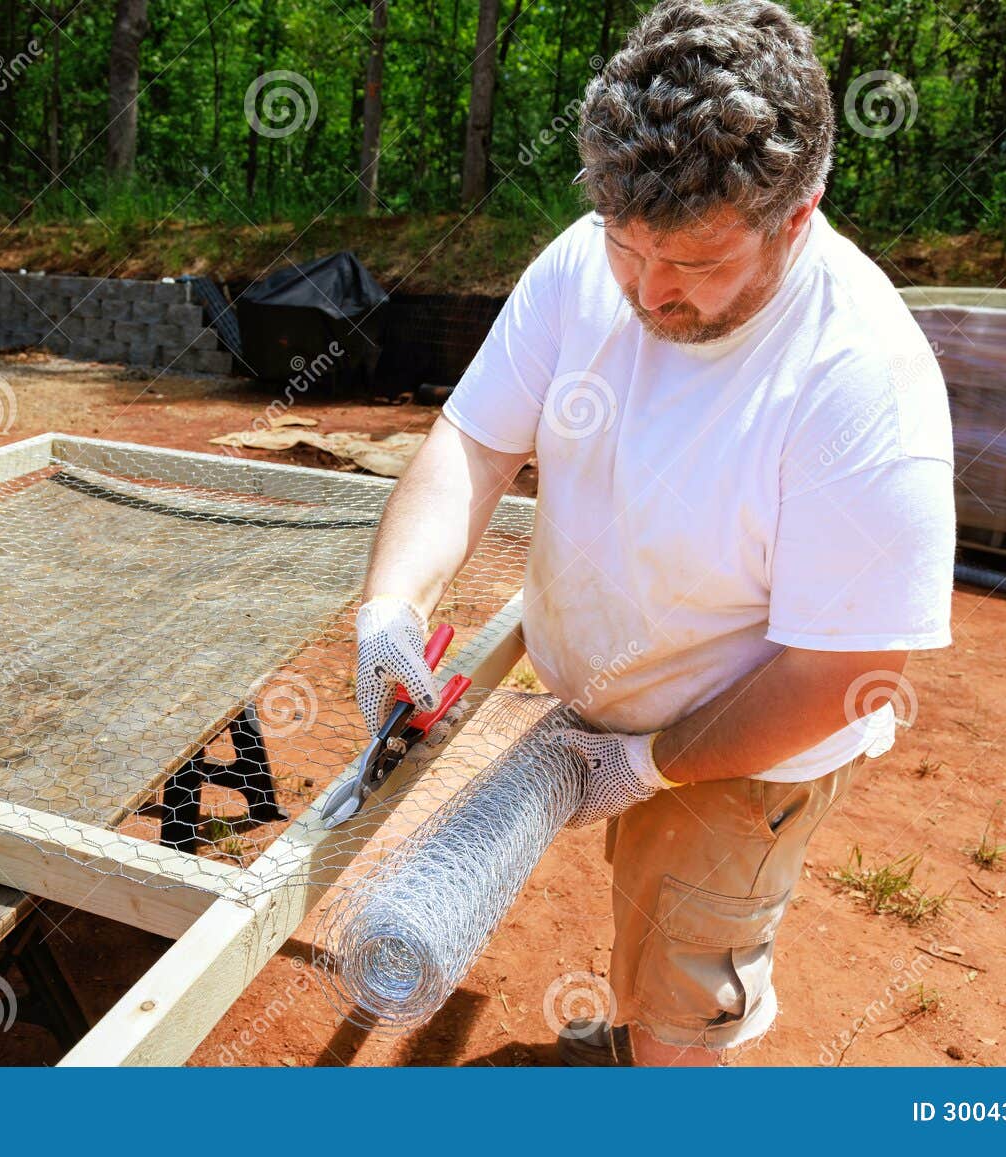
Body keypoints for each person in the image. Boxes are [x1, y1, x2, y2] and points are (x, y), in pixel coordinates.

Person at [352, 0, 955, 1066]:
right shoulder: (589, 260)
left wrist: (646, 766)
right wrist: (389, 606)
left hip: (743, 747)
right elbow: (474, 442)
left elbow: (846, 666)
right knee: (638, 908)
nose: (647, 290)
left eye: (695, 261)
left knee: (682, 995)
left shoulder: (862, 380)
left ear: (797, 215)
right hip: (599, 704)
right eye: (627, 246)